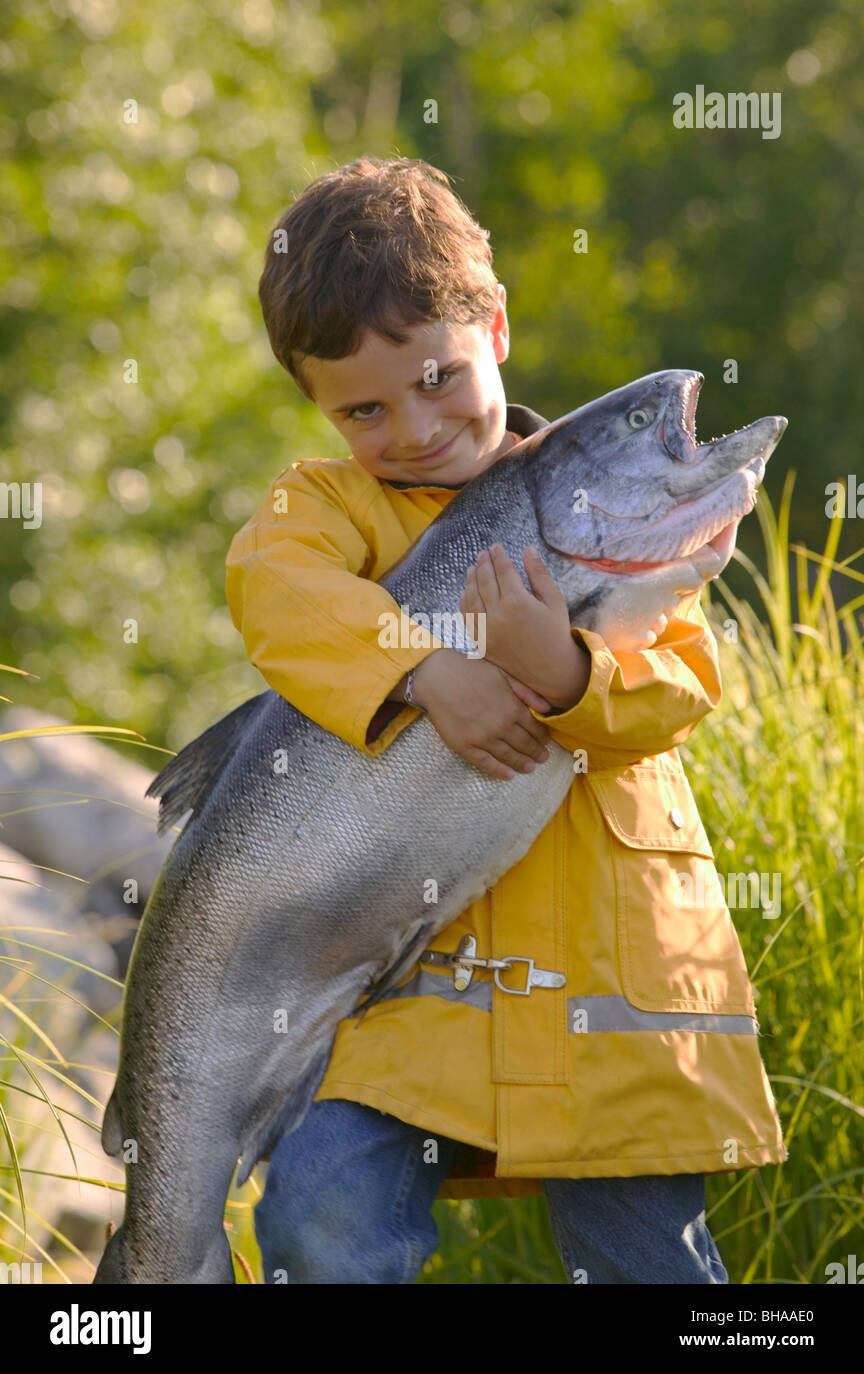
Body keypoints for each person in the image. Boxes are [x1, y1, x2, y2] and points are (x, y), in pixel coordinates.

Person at [225, 156, 786, 1284]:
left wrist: (570, 671)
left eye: (438, 378)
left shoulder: (620, 511)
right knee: (316, 1221)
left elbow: (685, 687)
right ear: (319, 409)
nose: (417, 426)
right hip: (410, 1014)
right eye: (365, 410)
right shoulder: (328, 506)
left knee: (651, 1272)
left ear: (495, 324)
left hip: (619, 1004)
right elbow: (276, 590)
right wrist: (427, 666)